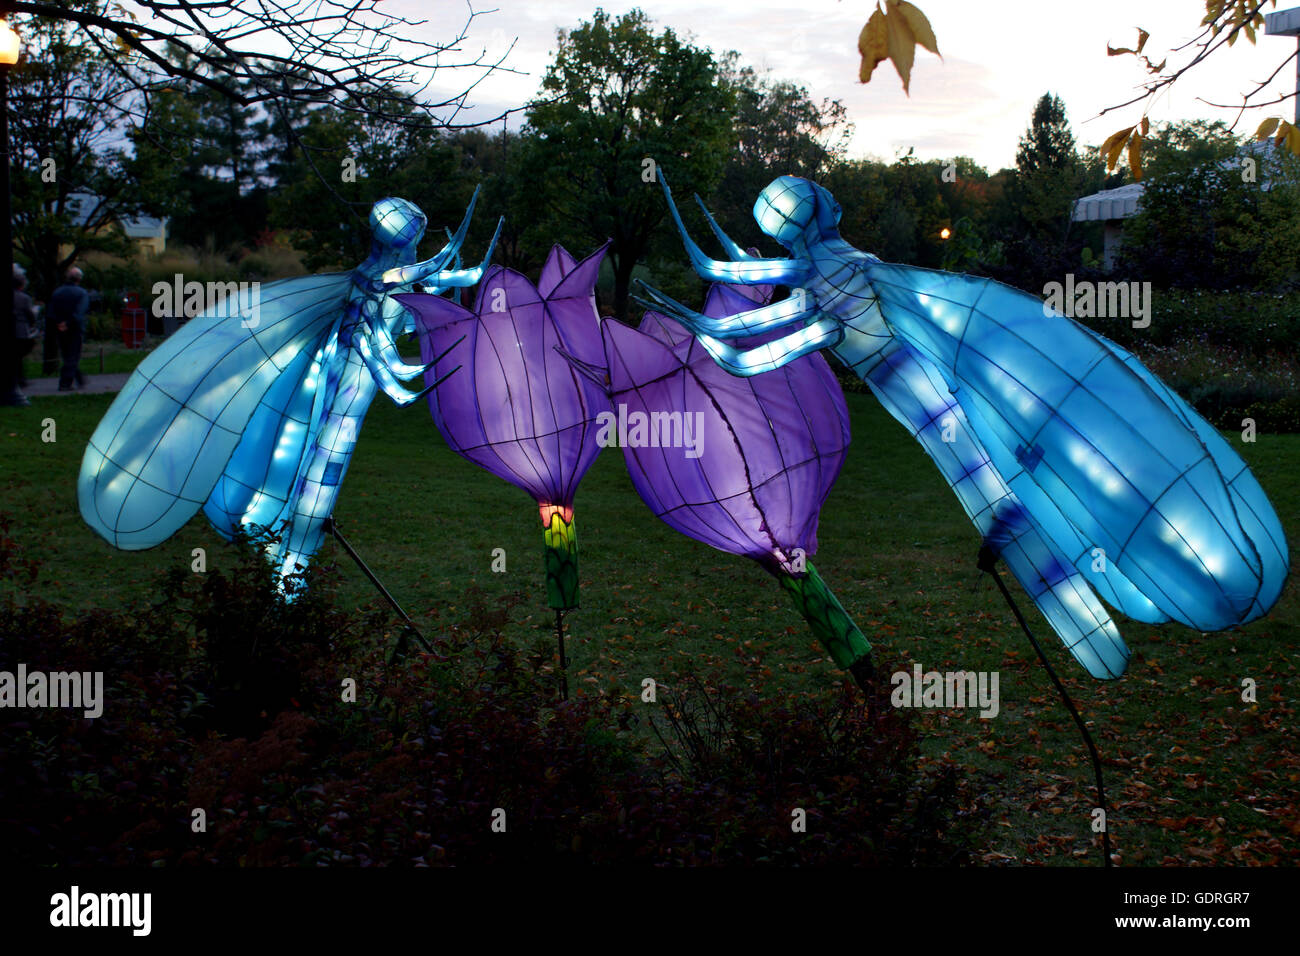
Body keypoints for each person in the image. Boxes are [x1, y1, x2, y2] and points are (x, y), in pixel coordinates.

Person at [48, 266, 90, 391]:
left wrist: (59, 323)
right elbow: (79, 312)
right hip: (74, 328)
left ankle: (78, 378)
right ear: (79, 279)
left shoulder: (57, 292)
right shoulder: (81, 293)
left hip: (59, 328)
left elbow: (51, 311)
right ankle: (65, 383)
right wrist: (68, 322)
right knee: (73, 355)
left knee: (67, 355)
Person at [13, 265, 37, 388]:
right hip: (21, 331)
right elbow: (30, 315)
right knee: (19, 356)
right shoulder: (24, 298)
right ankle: (20, 380)